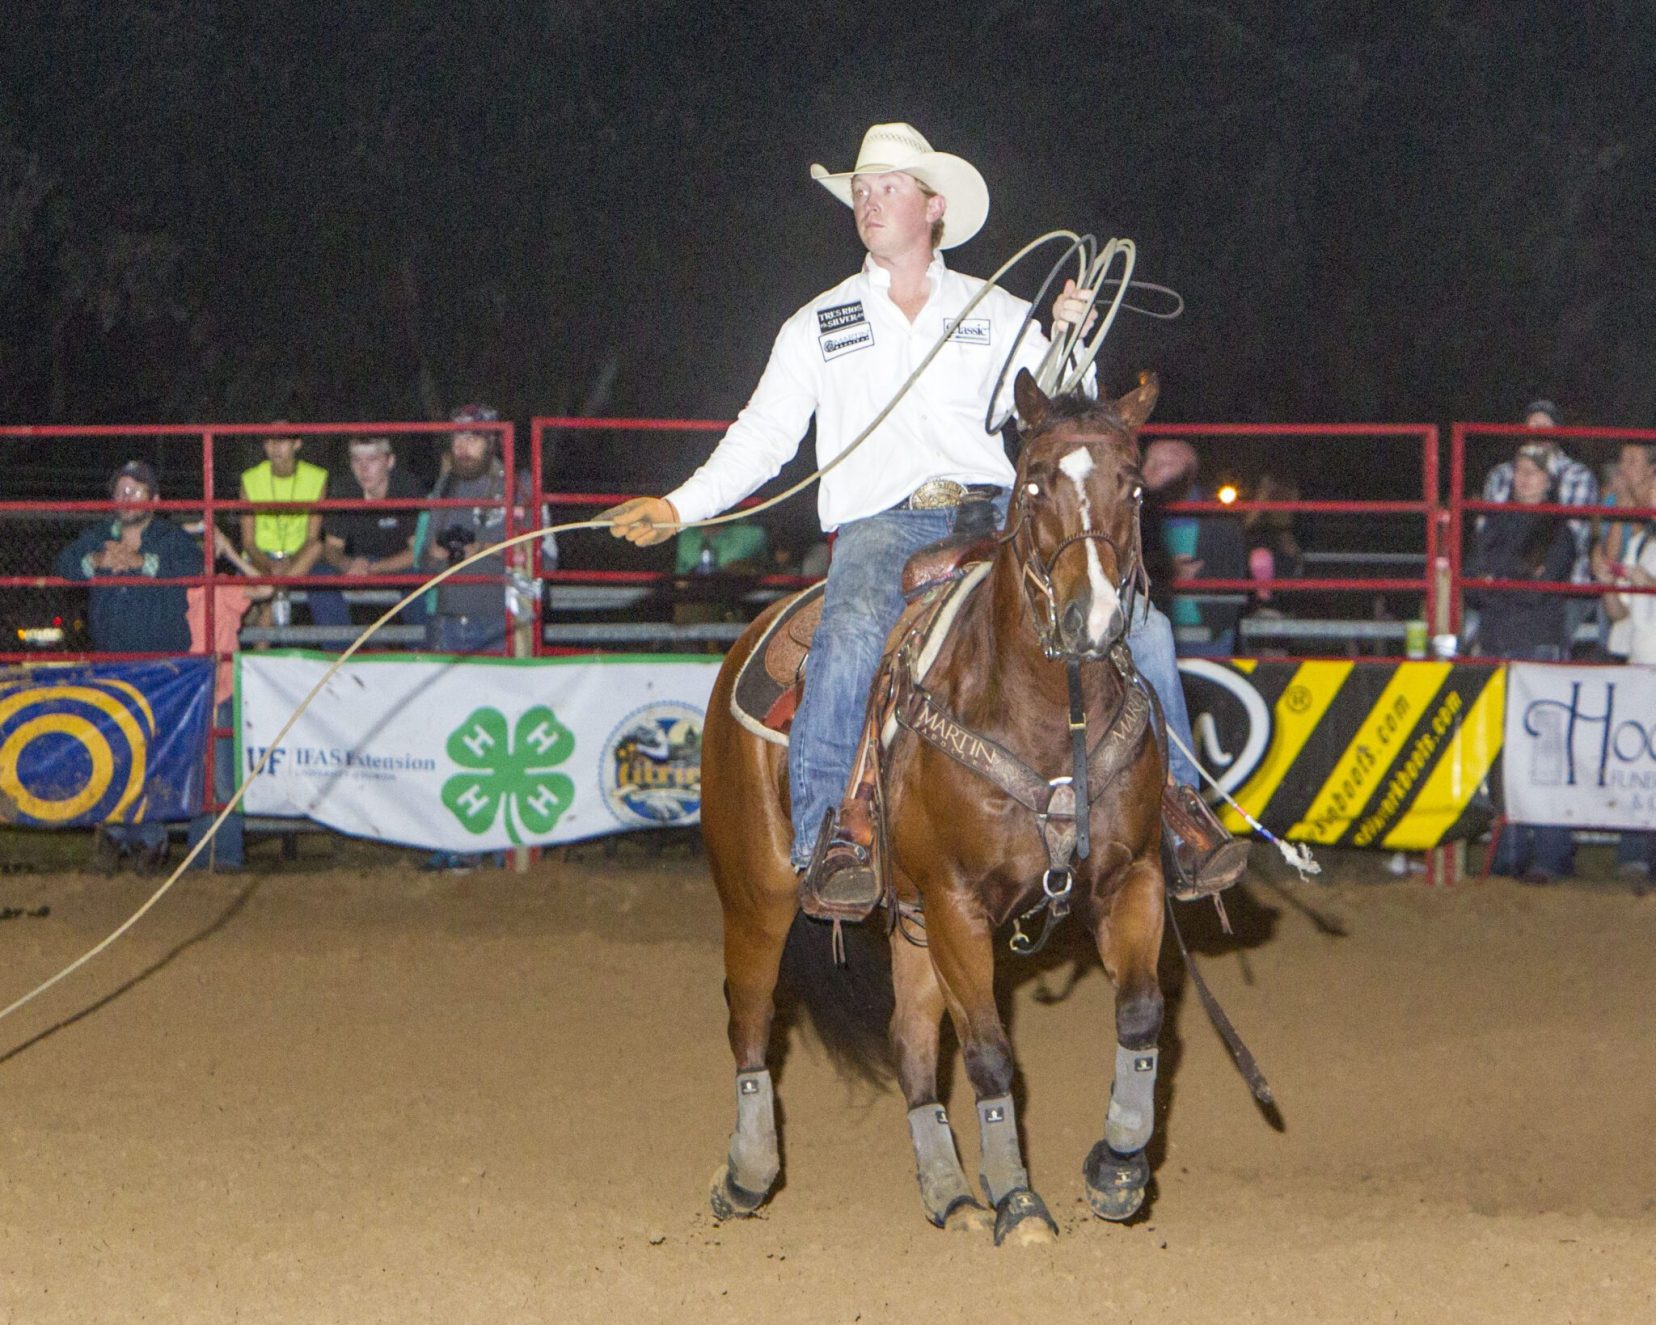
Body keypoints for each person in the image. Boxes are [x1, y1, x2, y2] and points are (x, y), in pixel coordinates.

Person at [604, 122, 1245, 915]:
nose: (868, 202)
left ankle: (1180, 808)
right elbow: (762, 439)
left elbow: (1065, 417)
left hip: (998, 517)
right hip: (882, 524)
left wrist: (1073, 338)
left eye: (887, 188)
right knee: (847, 634)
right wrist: (678, 506)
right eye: (861, 191)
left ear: (933, 207)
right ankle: (830, 834)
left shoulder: (999, 310)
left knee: (1141, 623)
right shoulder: (817, 325)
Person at [55, 459, 201, 875]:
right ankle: (117, 837)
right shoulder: (99, 536)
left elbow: (193, 568)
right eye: (121, 490)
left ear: (154, 500)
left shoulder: (170, 538)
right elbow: (66, 566)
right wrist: (99, 559)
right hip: (112, 661)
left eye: (136, 490)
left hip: (159, 667)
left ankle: (150, 841)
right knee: (114, 749)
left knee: (149, 750)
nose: (126, 497)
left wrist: (140, 564)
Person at [1467, 441, 1577, 882]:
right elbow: (1473, 580)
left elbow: (1539, 583)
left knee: (1540, 753)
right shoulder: (1498, 522)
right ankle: (1511, 854)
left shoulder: (1557, 530)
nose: (1523, 478)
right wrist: (1508, 579)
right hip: (1506, 639)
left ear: (1548, 481)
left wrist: (1497, 579)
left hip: (1533, 643)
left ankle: (1550, 855)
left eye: (1532, 472)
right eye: (1519, 470)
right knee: (1504, 752)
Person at [182, 526, 273, 871]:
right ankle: (201, 856)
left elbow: (266, 587)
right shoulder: (181, 587)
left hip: (219, 689)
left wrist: (232, 553)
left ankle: (227, 856)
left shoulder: (224, 586)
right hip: (190, 692)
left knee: (223, 780)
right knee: (198, 777)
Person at [1478, 400, 1599, 650]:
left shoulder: (1579, 475)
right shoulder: (1500, 475)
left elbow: (1567, 546)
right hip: (1505, 586)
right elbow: (1487, 536)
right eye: (1533, 424)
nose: (1539, 431)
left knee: (1541, 636)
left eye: (1546, 425)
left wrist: (1510, 572)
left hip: (1564, 589)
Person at [419, 403, 538, 656]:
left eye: (473, 437)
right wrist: (435, 553)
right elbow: (424, 560)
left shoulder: (519, 484)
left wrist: (482, 549)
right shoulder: (445, 484)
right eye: (457, 437)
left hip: (502, 620)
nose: (462, 446)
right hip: (448, 618)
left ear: (492, 441)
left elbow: (542, 559)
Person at [1590, 442, 1656, 887]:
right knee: (1640, 763)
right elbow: (1619, 614)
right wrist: (1607, 586)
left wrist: (1646, 583)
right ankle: (1634, 854)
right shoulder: (1644, 540)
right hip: (1641, 657)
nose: (1647, 492)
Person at [1141, 438, 1249, 656]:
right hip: (1148, 636)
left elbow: (1236, 574)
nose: (1148, 471)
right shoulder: (1135, 518)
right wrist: (1165, 573)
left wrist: (1197, 579)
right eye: (1147, 462)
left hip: (1210, 638)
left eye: (1162, 464)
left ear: (1188, 471)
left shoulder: (1218, 519)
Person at [308, 435, 425, 628]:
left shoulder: (407, 488)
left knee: (422, 576)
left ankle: (421, 653)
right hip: (355, 563)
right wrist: (349, 566)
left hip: (395, 564)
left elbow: (416, 551)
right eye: (357, 460)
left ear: (390, 461)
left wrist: (372, 569)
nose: (363, 469)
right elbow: (332, 548)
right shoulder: (344, 489)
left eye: (372, 460)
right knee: (319, 577)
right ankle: (339, 653)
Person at [239, 427, 328, 627]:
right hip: (260, 557)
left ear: (297, 444)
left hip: (297, 558)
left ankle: (274, 598)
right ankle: (277, 597)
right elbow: (248, 542)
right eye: (269, 441)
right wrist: (270, 566)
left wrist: (287, 564)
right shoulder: (250, 478)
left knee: (316, 548)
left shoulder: (317, 477)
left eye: (282, 440)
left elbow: (312, 538)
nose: (275, 447)